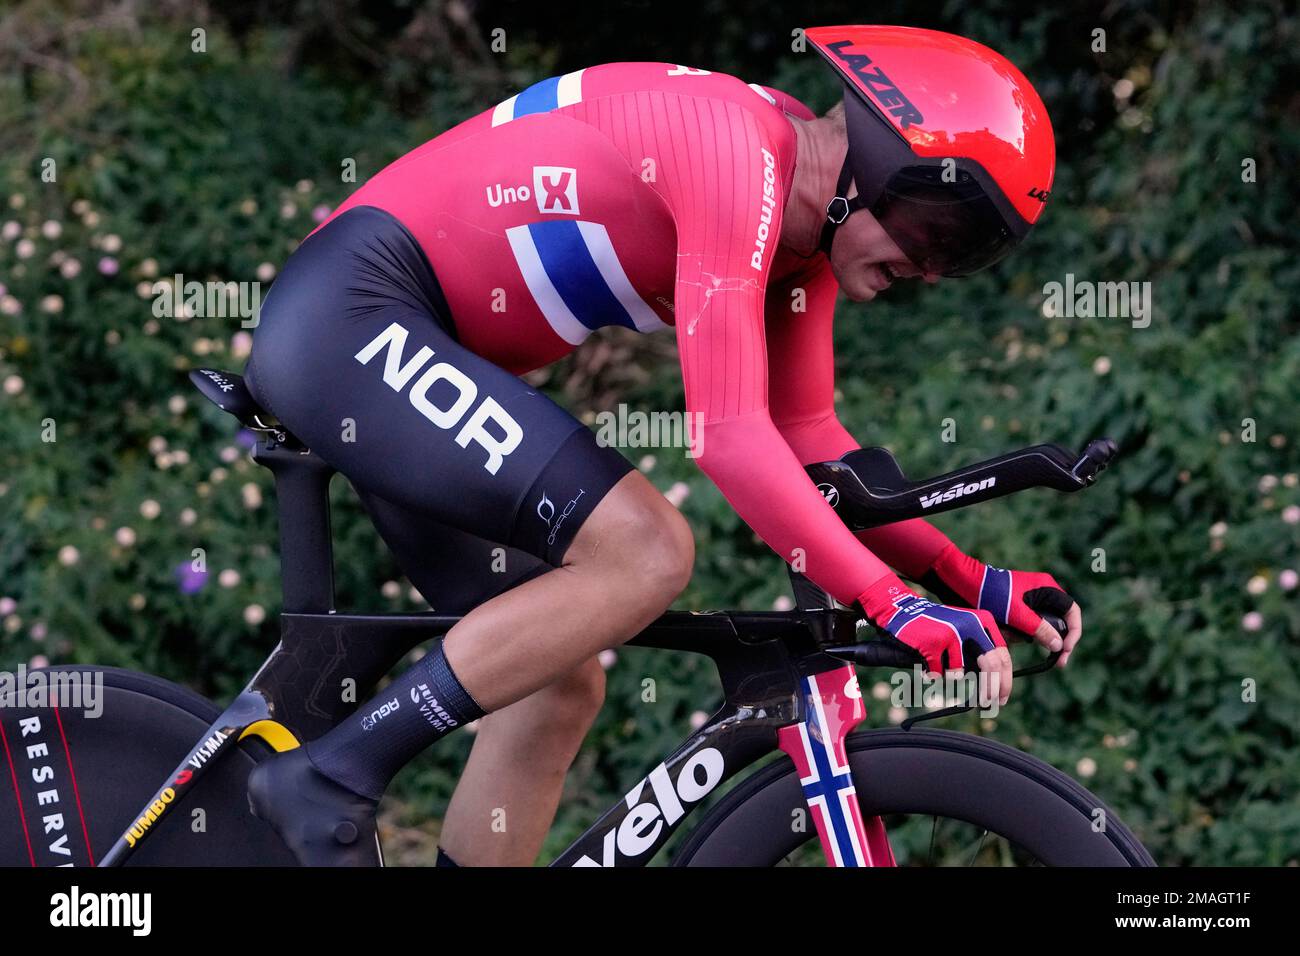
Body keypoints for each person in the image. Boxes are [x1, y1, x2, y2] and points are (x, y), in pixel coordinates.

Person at [243, 24, 1082, 866]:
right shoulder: (737, 162)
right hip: (354, 314)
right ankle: (331, 776)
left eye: (965, 253)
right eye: (939, 230)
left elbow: (808, 439)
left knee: (554, 680)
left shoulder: (806, 231)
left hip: (410, 346)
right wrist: (887, 598)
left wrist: (963, 574)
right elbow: (729, 438)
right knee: (646, 549)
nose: (933, 268)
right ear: (872, 166)